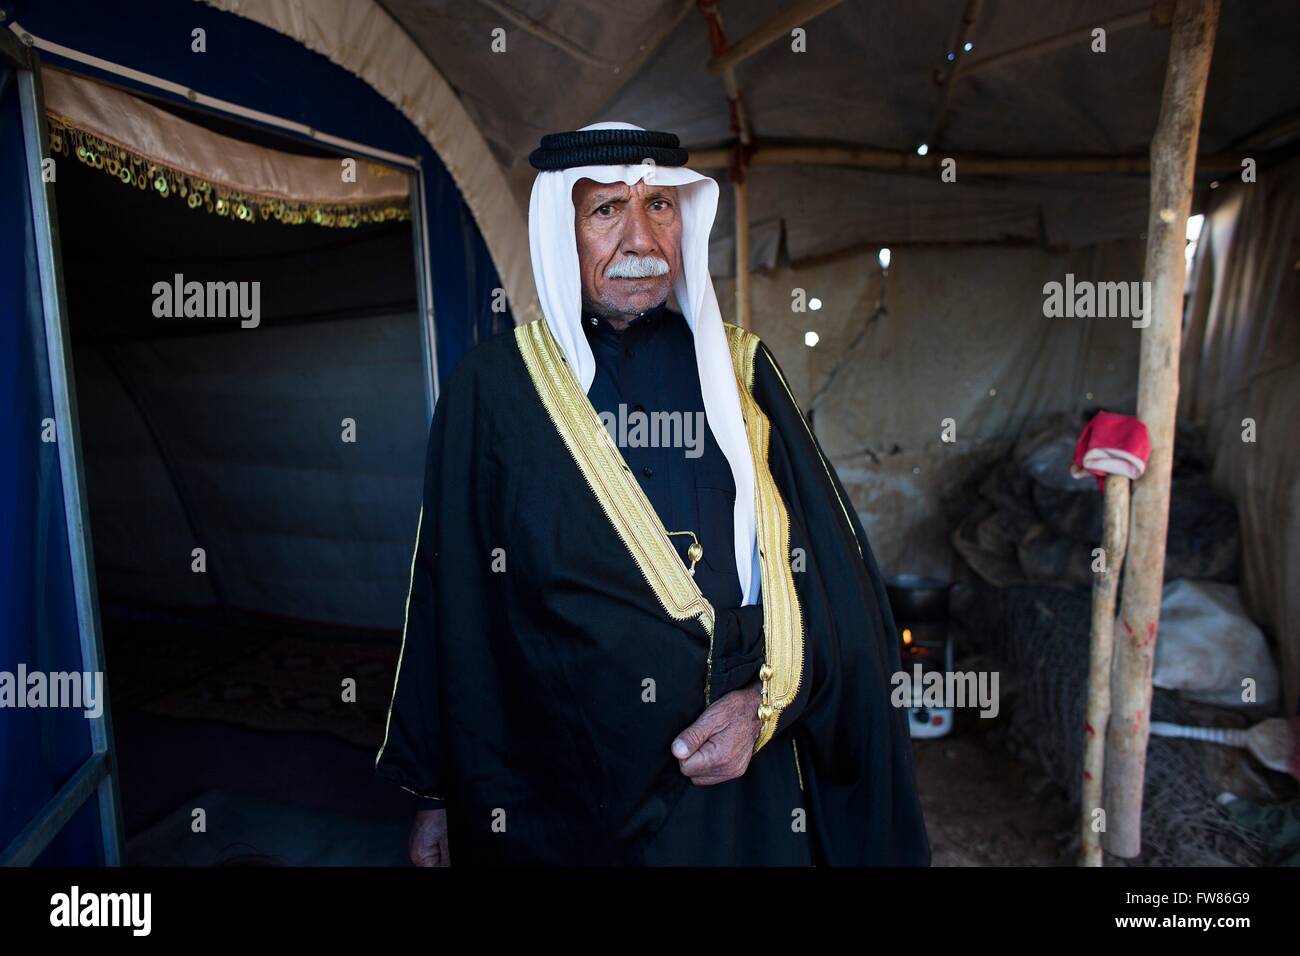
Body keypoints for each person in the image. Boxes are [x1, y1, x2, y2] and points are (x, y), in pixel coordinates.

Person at [376, 122, 929, 866]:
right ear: (559, 230)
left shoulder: (742, 373)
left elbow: (835, 582)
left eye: (661, 206)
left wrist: (764, 707)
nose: (641, 238)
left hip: (728, 780)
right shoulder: (491, 393)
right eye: (607, 210)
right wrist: (437, 792)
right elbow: (452, 600)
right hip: (555, 787)